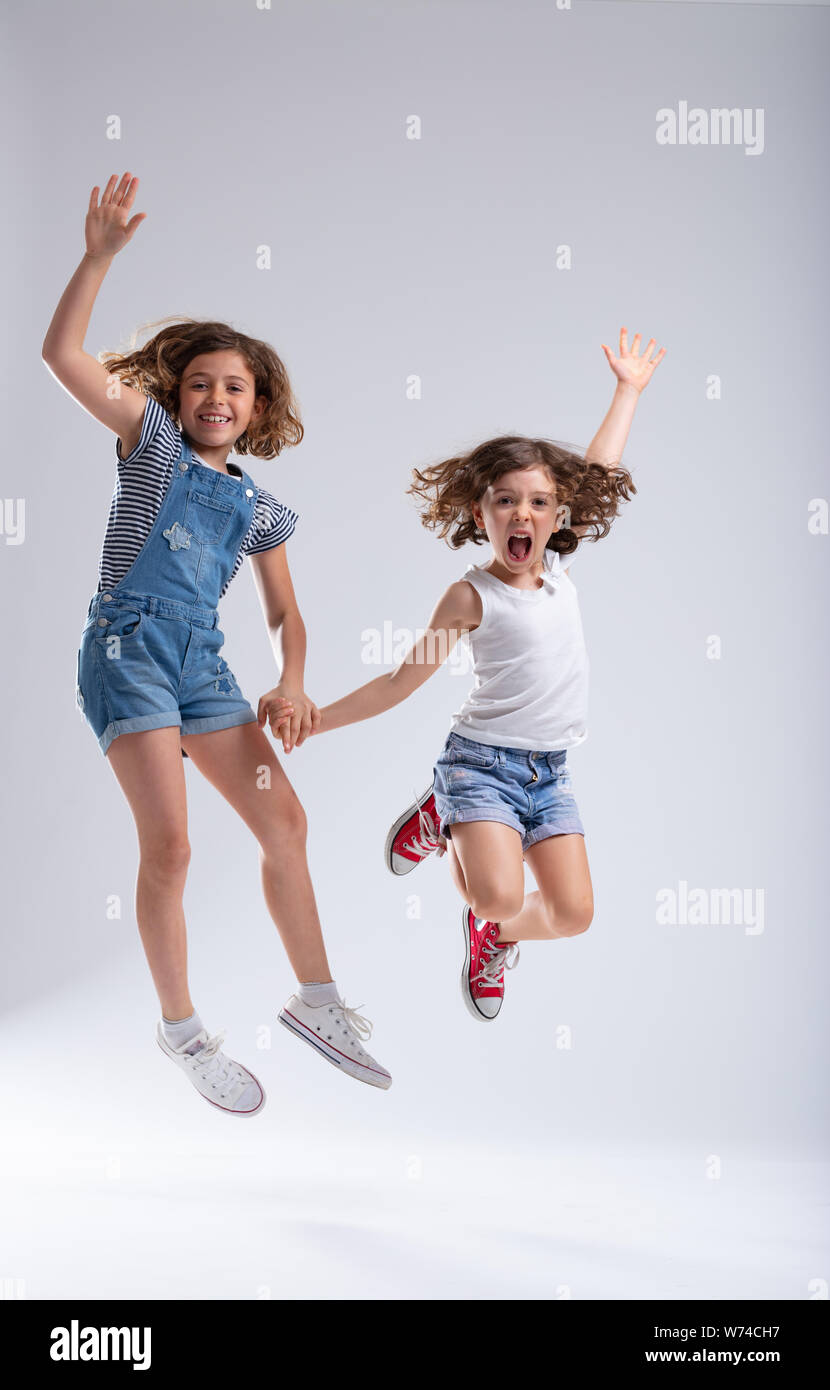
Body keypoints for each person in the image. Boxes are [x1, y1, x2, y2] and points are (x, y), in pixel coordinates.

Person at [42, 171, 391, 1113]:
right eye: (199, 382)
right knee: (174, 849)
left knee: (288, 823)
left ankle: (317, 1002)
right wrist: (98, 256)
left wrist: (293, 681)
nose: (215, 396)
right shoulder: (147, 442)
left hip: (202, 663)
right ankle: (182, 1032)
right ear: (174, 392)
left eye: (234, 385)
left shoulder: (262, 506)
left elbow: (287, 613)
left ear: (259, 402)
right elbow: (61, 353)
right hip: (129, 651)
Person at [290, 328, 664, 1021]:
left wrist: (627, 390)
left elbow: (601, 471)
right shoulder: (471, 596)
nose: (523, 512)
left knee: (573, 914)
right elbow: (401, 681)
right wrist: (318, 718)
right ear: (479, 513)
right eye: (505, 500)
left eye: (539, 502)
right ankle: (443, 811)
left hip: (550, 773)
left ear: (556, 518)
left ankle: (489, 932)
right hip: (480, 766)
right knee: (491, 890)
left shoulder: (557, 568)